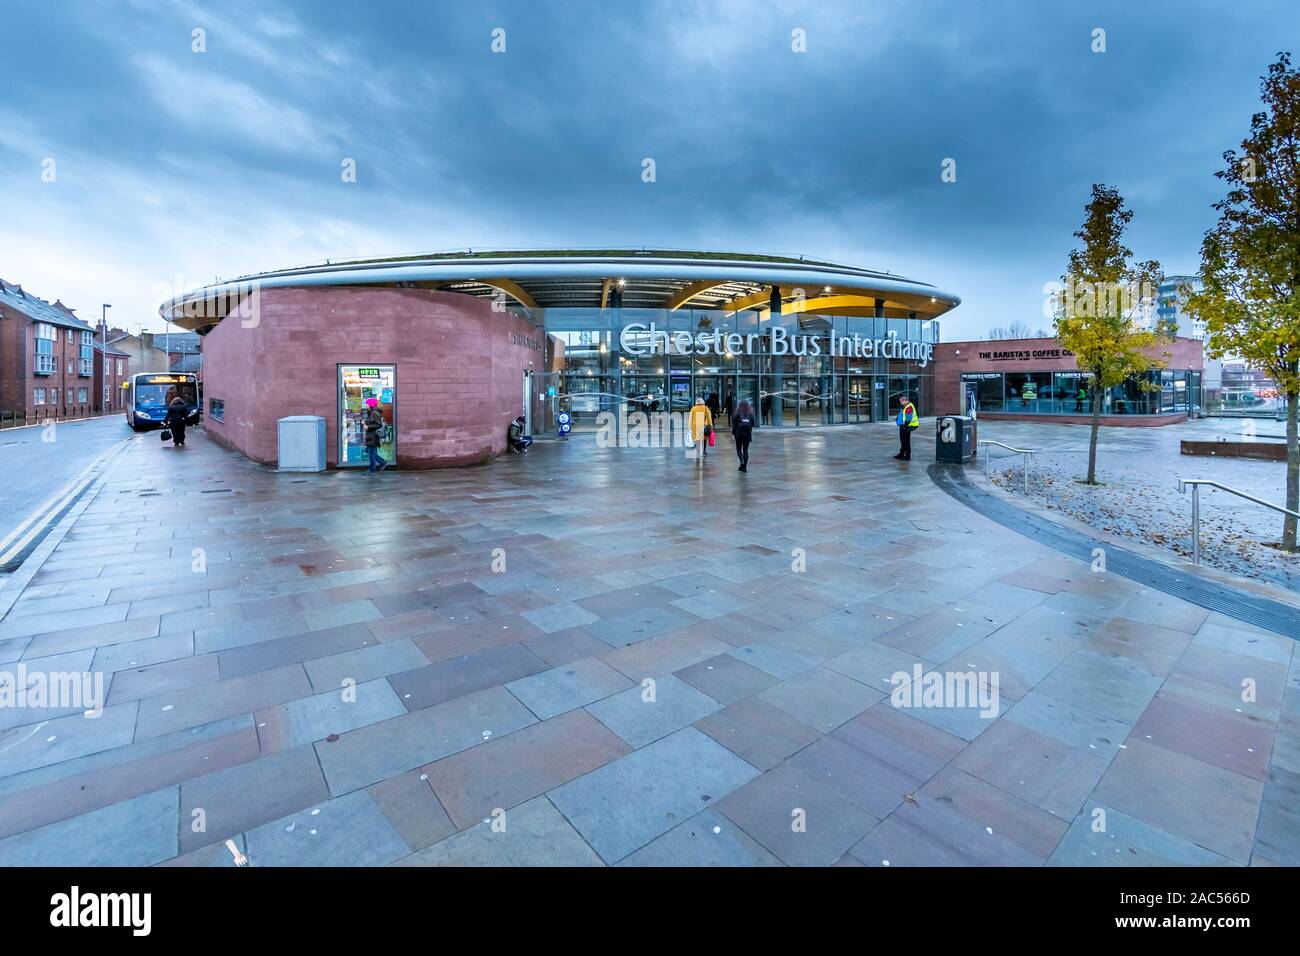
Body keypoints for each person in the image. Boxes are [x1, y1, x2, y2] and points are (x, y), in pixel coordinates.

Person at [363, 397, 388, 474]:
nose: (366, 405)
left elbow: (379, 424)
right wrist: (365, 421)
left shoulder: (375, 413)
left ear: (371, 404)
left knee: (371, 454)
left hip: (373, 436)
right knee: (370, 452)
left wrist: (368, 426)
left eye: (367, 404)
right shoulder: (372, 412)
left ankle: (372, 470)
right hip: (371, 436)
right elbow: (373, 422)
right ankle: (382, 462)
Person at [687, 397, 713, 463]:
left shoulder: (693, 408)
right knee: (704, 438)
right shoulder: (705, 408)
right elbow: (709, 416)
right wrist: (710, 424)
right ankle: (704, 450)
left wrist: (689, 426)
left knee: (697, 438)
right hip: (703, 425)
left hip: (695, 425)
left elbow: (690, 418)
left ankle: (698, 451)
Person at [893, 394, 919, 460]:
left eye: (901, 402)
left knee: (906, 441)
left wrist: (904, 427)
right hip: (905, 426)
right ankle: (902, 454)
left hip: (907, 426)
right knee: (903, 441)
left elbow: (908, 418)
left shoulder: (909, 407)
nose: (900, 403)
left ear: (904, 401)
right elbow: (903, 415)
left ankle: (907, 456)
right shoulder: (906, 406)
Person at [731, 400, 754, 473]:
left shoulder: (737, 414)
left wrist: (733, 433)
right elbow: (753, 424)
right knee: (745, 450)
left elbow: (734, 425)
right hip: (747, 434)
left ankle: (742, 462)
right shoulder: (750, 414)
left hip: (739, 434)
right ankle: (744, 467)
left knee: (738, 449)